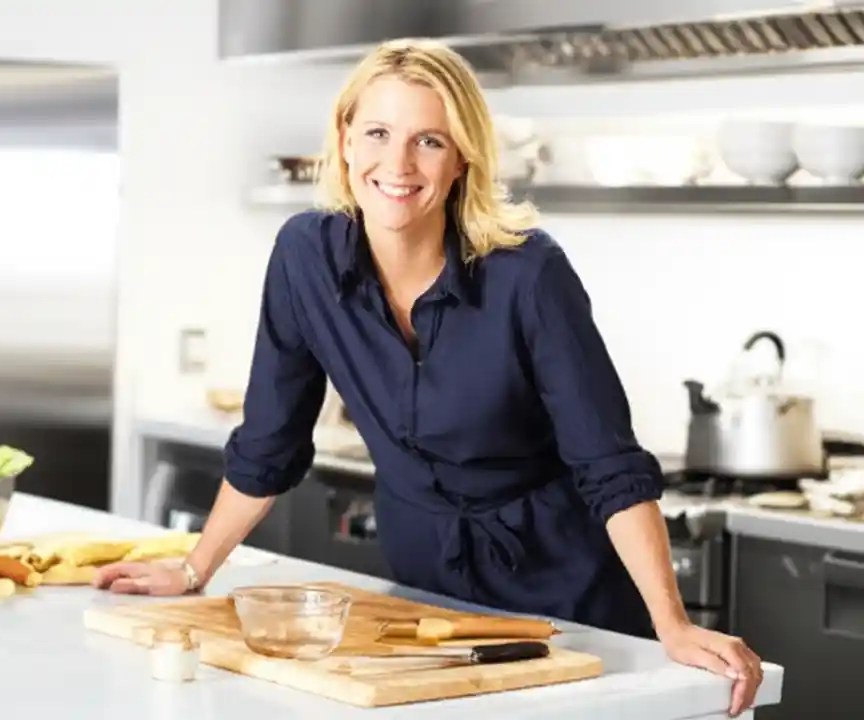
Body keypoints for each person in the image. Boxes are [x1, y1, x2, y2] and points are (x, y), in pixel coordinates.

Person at [94, 38, 763, 716]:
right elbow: (270, 442)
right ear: (345, 140)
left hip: (567, 600)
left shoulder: (528, 274)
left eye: (429, 142)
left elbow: (609, 464)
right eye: (378, 133)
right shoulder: (305, 258)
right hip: (424, 606)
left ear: (462, 157)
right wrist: (191, 568)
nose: (398, 163)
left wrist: (671, 624)